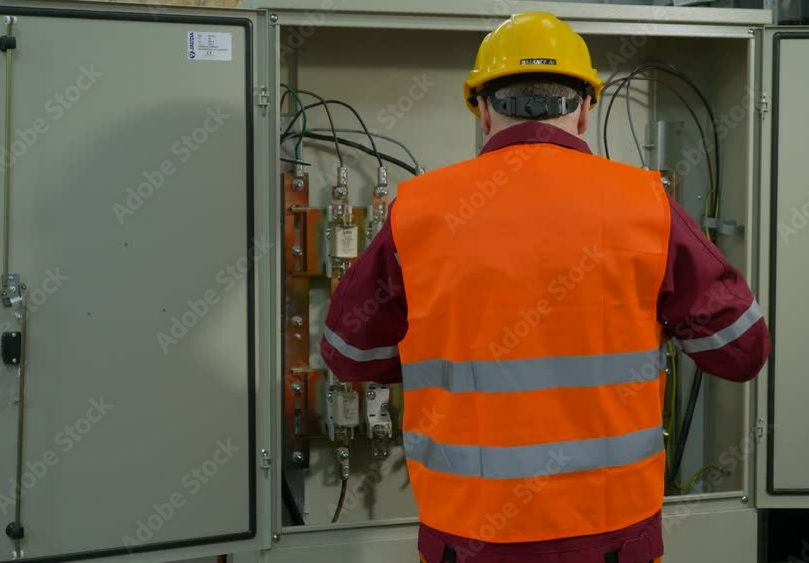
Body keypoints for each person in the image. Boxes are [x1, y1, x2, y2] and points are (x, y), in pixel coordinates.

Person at [321, 12, 770, 563]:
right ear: (584, 110)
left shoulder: (421, 211)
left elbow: (347, 353)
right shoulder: (645, 204)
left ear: (483, 110)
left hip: (467, 537)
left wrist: (441, 343)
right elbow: (742, 350)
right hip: (612, 536)